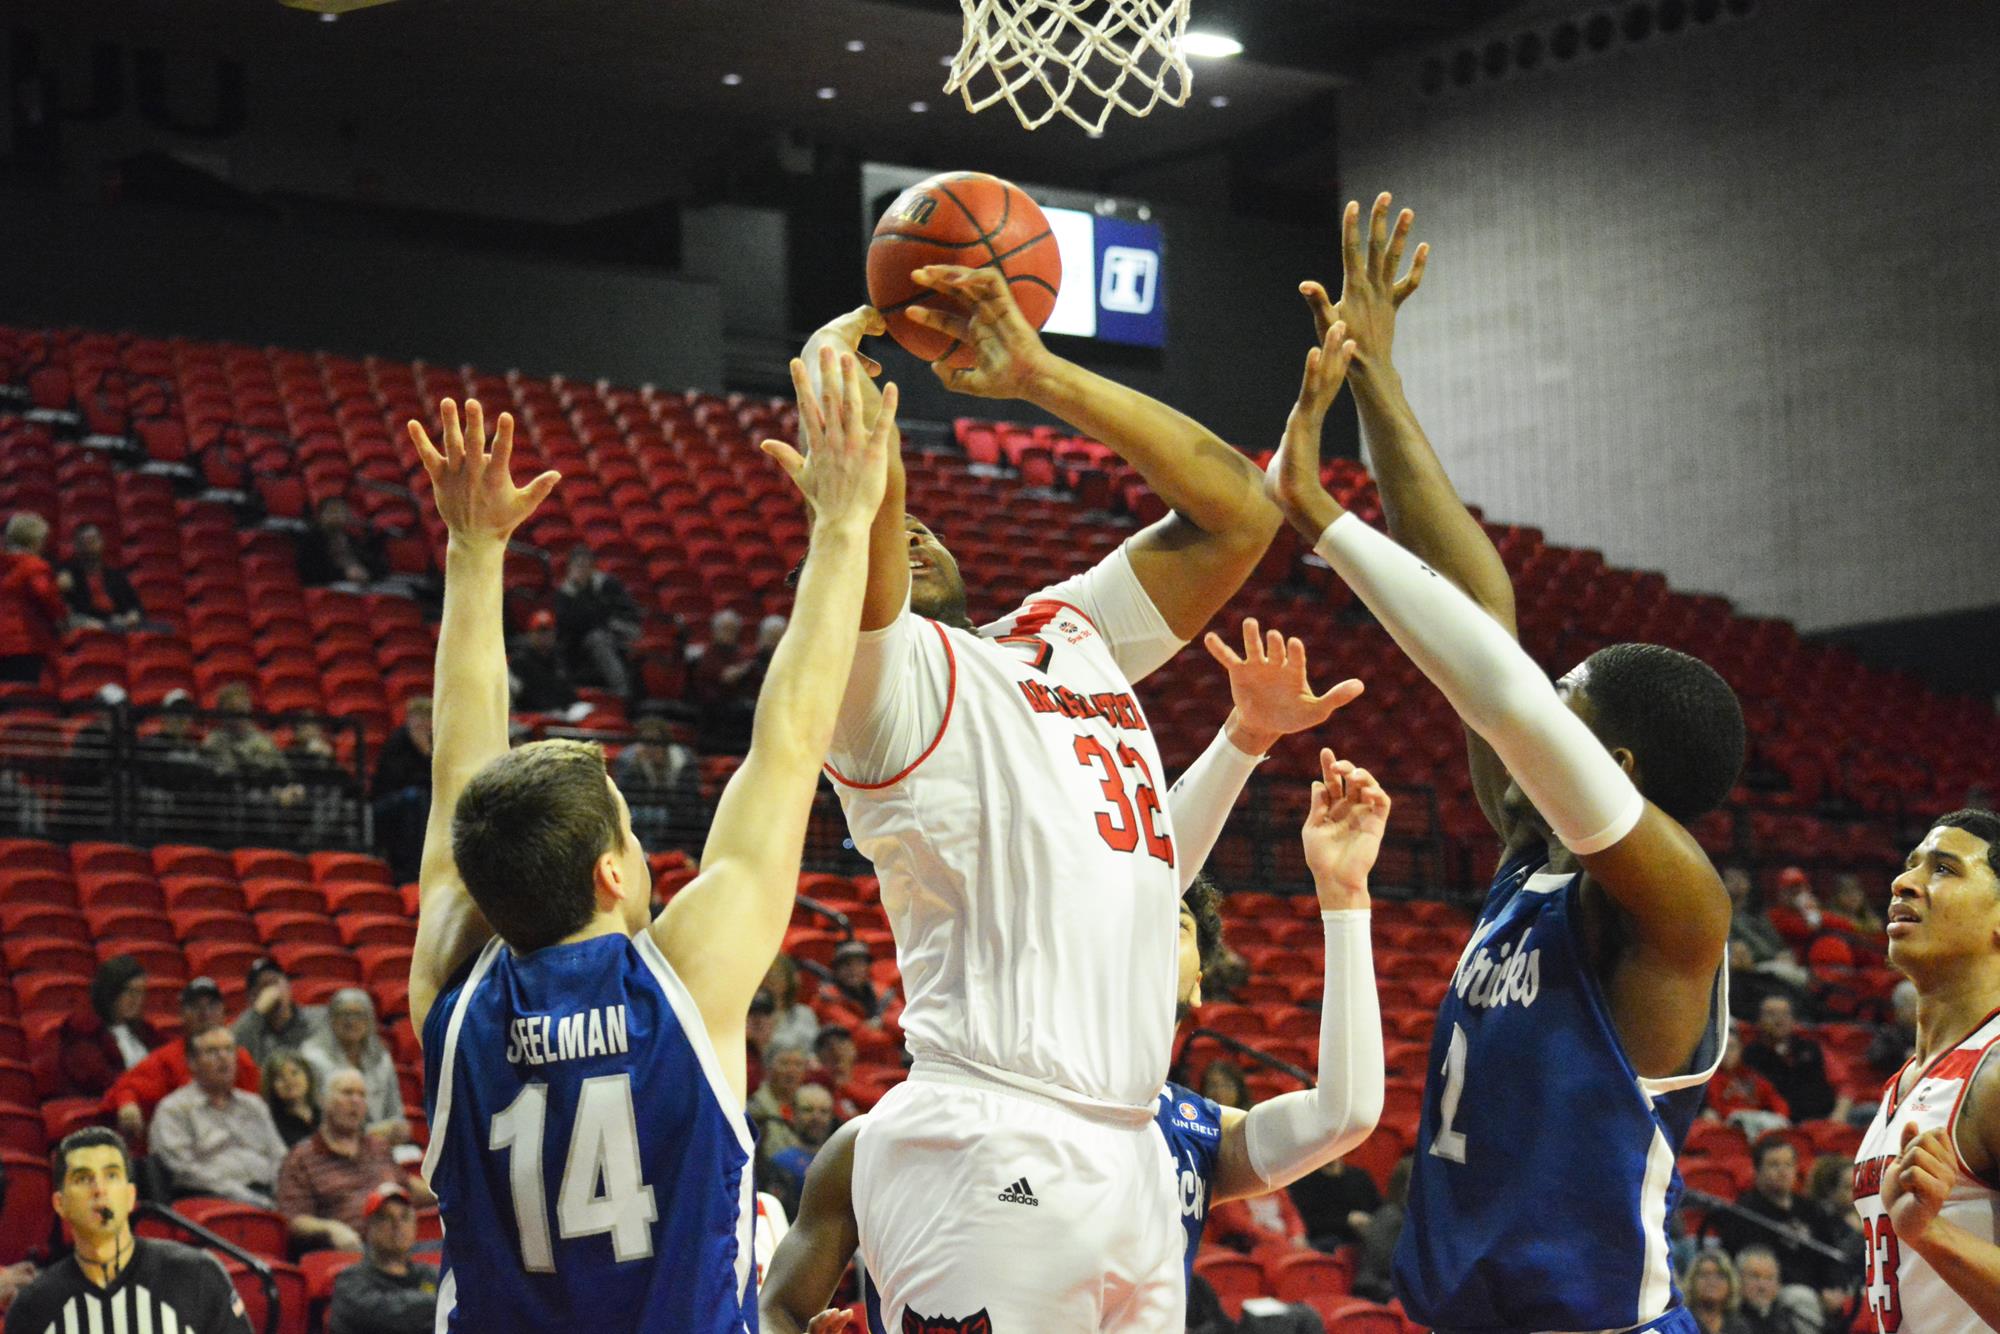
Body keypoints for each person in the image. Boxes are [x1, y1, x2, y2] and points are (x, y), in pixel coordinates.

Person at [1272, 193, 1745, 1333]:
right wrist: (1377, 376)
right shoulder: (1532, 857)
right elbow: (1474, 602)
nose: (1537, 687)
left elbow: (1499, 686)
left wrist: (1321, 520)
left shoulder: (1678, 907)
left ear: (1613, 756)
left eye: (1563, 692)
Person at [805, 270, 1311, 1328]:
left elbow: (1237, 513)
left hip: (1126, 1145)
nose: (913, 530)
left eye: (923, 519)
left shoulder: (1060, 632)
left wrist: (1038, 373)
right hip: (987, 1131)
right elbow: (866, 561)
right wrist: (863, 426)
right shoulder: (881, 694)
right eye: (889, 521)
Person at [407, 368, 894, 1329]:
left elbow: (460, 777)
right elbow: (791, 739)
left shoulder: (449, 998)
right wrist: (844, 525)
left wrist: (471, 554)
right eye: (630, 825)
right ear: (609, 872)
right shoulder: (681, 984)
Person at [759, 736, 1388, 1334]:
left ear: (1198, 985)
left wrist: (1345, 896)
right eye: (1128, 918)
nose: (1142, 932)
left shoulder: (1195, 1136)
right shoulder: (879, 1139)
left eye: (1172, 923)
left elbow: (1346, 1112)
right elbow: (777, 1309)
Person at [1854, 809, 2000, 1331]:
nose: (1903, 882)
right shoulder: (1907, 1081)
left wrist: (1929, 1233)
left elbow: (1920, 1236)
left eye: (1944, 869)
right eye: (1910, 864)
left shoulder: (1994, 1073)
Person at [4, 1127, 252, 1334]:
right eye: (82, 1178)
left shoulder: (197, 1275)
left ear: (131, 1196)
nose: (99, 1189)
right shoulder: (33, 1307)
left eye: (111, 1175)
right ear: (60, 1204)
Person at [277, 1069, 431, 1253]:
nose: (356, 1101)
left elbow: (407, 1186)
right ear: (323, 1101)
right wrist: (330, 1228)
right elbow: (293, 1220)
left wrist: (451, 1194)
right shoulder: (301, 1157)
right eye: (347, 1093)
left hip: (398, 1249)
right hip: (348, 1255)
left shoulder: (378, 1146)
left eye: (361, 1095)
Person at [104, 977, 260, 1139]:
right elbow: (125, 1088)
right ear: (183, 1015)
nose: (205, 1013)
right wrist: (128, 1104)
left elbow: (255, 1112)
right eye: (195, 1007)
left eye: (212, 1006)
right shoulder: (168, 1059)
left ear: (222, 1011)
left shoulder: (240, 1058)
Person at [149, 1027, 289, 1207]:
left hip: (270, 1195)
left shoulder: (254, 1105)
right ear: (192, 1062)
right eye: (212, 1052)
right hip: (212, 1200)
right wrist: (248, 1198)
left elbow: (281, 1157)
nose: (224, 1057)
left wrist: (285, 1195)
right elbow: (183, 1171)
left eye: (229, 1049)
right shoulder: (174, 1109)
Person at [1712, 1137, 1836, 1290]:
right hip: (1772, 1289)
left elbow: (1829, 1255)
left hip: (1816, 1289)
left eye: (1788, 1165)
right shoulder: (1744, 1213)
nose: (1783, 1171)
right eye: (1774, 1165)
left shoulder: (1811, 1210)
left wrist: (1832, 1288)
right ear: (1757, 1171)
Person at [328, 1183, 440, 1334]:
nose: (397, 1225)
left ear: (415, 1225)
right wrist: (437, 1303)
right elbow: (388, 1316)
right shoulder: (350, 1282)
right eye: (385, 1218)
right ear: (368, 1228)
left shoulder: (430, 1275)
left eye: (404, 1217)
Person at [301, 989, 407, 1143]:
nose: (351, 1021)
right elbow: (318, 1119)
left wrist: (398, 1129)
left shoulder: (381, 1058)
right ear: (331, 1019)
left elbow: (395, 1111)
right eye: (343, 1014)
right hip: (334, 1144)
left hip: (381, 1145)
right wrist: (373, 1132)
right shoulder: (312, 1058)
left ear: (369, 1021)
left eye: (359, 1015)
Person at [54, 955, 159, 1098]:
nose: (137, 1000)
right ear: (109, 992)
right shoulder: (83, 1028)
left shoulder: (145, 1030)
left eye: (140, 993)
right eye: (129, 992)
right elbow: (97, 1079)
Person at [553, 545, 641, 699]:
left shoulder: (607, 584)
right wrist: (579, 592)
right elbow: (573, 623)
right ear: (570, 568)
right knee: (598, 639)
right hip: (581, 640)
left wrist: (601, 617)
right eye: (579, 566)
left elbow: (629, 611)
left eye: (588, 566)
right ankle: (623, 693)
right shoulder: (565, 593)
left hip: (615, 629)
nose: (583, 570)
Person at [610, 707, 699, 854]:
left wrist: (660, 774)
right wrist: (636, 768)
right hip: (641, 811)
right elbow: (624, 795)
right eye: (647, 742)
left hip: (676, 814)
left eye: (656, 742)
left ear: (665, 743)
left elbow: (689, 797)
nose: (652, 748)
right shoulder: (629, 759)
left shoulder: (683, 760)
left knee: (661, 816)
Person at [1744, 996, 1844, 1123]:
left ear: (1793, 1020)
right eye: (1771, 1015)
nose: (1779, 1021)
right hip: (1777, 1124)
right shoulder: (1750, 1055)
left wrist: (1838, 1116)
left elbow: (1844, 1086)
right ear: (1759, 1021)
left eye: (1785, 1014)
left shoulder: (1813, 1048)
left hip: (1824, 1120)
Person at [0, 511, 66, 685]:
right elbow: (45, 596)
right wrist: (61, 617)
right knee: (21, 698)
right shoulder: (34, 566)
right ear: (33, 540)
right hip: (23, 642)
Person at [761, 1083, 836, 1222]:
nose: (816, 1117)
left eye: (824, 1111)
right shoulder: (779, 1163)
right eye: (808, 1110)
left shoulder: (839, 1162)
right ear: (793, 1114)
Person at [234, 958, 327, 1068]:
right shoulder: (250, 1028)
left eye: (275, 982)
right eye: (264, 986)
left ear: (288, 986)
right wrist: (257, 1012)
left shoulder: (316, 1019)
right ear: (252, 997)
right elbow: (233, 1047)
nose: (272, 992)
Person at [1707, 1030, 1792, 1141]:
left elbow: (1776, 1100)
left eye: (1732, 1047)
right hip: (1732, 1127)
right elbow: (1716, 1107)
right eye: (1722, 1048)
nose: (1726, 1052)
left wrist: (1780, 1116)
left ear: (1741, 1049)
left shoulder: (1752, 1075)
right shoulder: (1710, 1078)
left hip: (1758, 1122)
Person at [1287, 1155, 1383, 1251]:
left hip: (1369, 1235)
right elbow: (1310, 1221)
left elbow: (1378, 1206)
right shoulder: (1303, 1184)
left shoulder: (1359, 1175)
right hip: (1331, 1240)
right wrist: (1347, 1220)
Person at [56, 523, 143, 629]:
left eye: (93, 541)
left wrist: (133, 615)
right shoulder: (67, 573)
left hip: (117, 622)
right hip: (87, 623)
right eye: (84, 542)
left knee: (162, 629)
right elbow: (62, 609)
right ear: (77, 546)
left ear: (102, 543)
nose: (89, 546)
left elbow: (135, 605)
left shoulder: (115, 575)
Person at [297, 496, 387, 587]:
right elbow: (310, 574)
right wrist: (344, 574)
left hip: (361, 587)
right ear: (320, 516)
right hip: (329, 588)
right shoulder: (311, 540)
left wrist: (366, 573)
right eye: (331, 512)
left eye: (341, 512)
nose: (337, 516)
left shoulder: (353, 540)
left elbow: (377, 568)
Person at [749, 1040, 813, 1158]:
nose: (791, 1071)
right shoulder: (754, 1108)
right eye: (784, 1064)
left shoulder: (812, 1105)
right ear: (767, 1068)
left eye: (798, 1064)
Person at [508, 608, 577, 713]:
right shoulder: (520, 661)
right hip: (534, 716)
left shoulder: (558, 658)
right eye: (541, 632)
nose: (545, 636)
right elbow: (522, 697)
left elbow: (568, 690)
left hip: (564, 712)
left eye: (549, 631)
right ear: (531, 634)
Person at [262, 1048, 321, 1148]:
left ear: (308, 1075)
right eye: (280, 1077)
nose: (289, 1081)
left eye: (294, 1073)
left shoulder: (326, 1114)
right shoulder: (271, 1125)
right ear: (271, 1086)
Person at [763, 955, 821, 1053]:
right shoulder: (753, 1015)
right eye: (768, 975)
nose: (773, 980)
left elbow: (814, 1050)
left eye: (778, 974)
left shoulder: (804, 1013)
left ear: (789, 979)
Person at [1680, 1250, 1749, 1334]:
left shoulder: (1739, 1327)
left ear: (1730, 1284)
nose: (1711, 1282)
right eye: (1704, 1275)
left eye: (1720, 1276)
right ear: (1692, 1282)